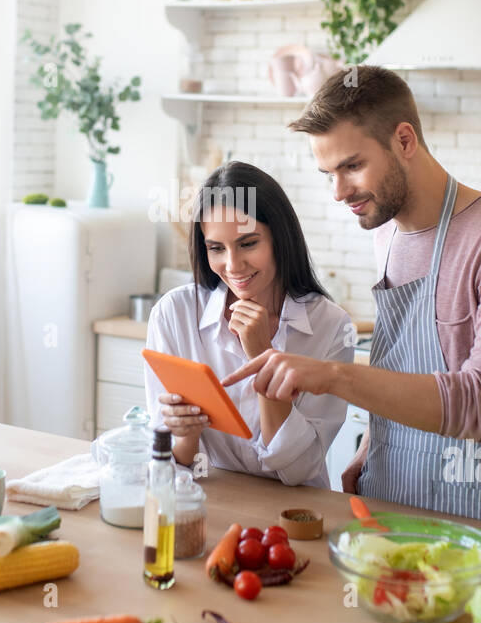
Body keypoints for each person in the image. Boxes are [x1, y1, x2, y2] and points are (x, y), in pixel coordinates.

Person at [222, 67, 481, 531]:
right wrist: (373, 441)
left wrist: (335, 376)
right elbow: (407, 367)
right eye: (328, 174)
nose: (339, 193)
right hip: (389, 509)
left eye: (352, 167)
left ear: (404, 140)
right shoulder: (387, 232)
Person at [143, 162, 355, 490]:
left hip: (296, 512)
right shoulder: (174, 314)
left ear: (279, 238)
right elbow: (171, 463)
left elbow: (299, 469)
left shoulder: (331, 325)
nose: (232, 265)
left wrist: (263, 356)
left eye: (248, 243)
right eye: (216, 248)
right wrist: (187, 436)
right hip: (215, 501)